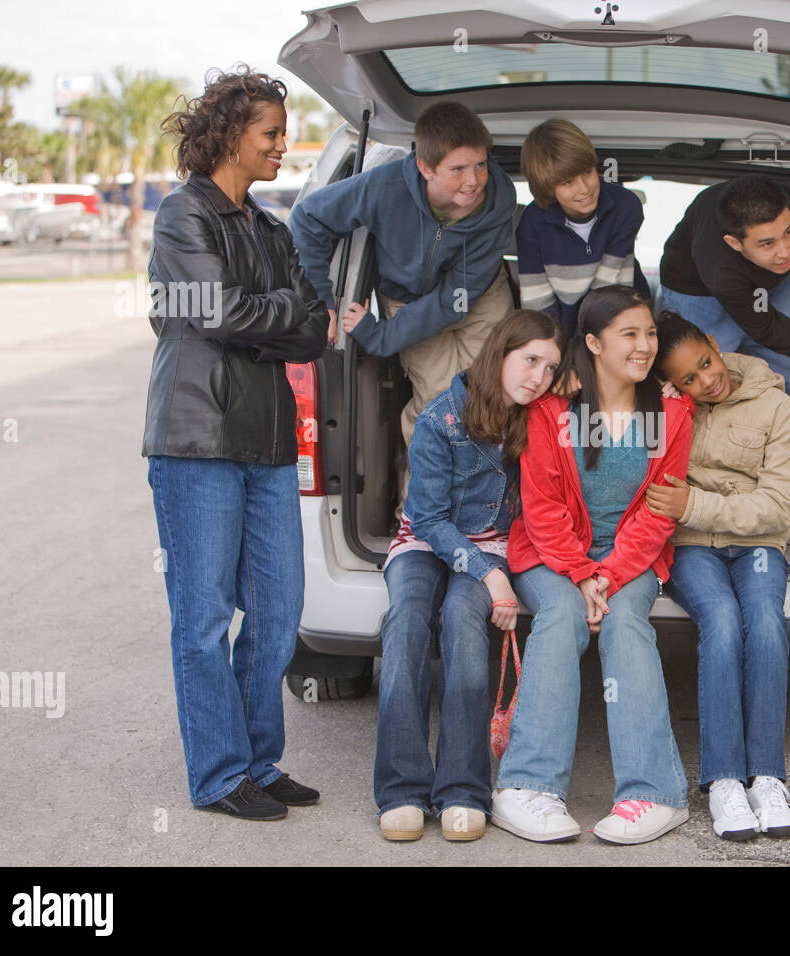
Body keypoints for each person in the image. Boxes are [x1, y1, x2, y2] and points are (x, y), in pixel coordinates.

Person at [145, 66, 329, 820]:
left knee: (279, 612)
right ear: (227, 136)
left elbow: (313, 330)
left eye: (283, 136)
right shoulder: (180, 216)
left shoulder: (272, 229)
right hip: (196, 439)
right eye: (270, 135)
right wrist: (273, 313)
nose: (282, 147)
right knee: (203, 616)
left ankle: (258, 759)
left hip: (268, 441)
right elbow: (216, 313)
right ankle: (220, 776)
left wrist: (270, 314)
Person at [492, 286, 693, 845]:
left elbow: (659, 511)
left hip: (630, 560)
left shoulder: (671, 410)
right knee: (560, 618)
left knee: (626, 623)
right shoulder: (553, 409)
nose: (645, 345)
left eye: (650, 332)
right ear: (593, 342)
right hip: (552, 553)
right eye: (630, 333)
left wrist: (609, 574)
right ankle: (526, 788)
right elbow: (543, 506)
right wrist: (581, 572)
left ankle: (653, 794)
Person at [375, 309, 564, 843]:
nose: (538, 378)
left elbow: (601, 393)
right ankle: (402, 790)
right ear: (501, 352)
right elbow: (430, 520)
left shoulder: (544, 415)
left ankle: (462, 790)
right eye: (530, 361)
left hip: (496, 542)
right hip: (427, 538)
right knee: (408, 620)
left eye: (550, 368)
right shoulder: (443, 417)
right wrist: (490, 576)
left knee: (461, 621)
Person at [657, 139, 790, 546]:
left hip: (765, 291)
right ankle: (693, 522)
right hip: (697, 295)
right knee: (693, 401)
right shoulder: (722, 267)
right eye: (768, 243)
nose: (786, 250)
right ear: (735, 243)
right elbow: (767, 330)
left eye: (788, 232)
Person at [646, 312, 790, 841]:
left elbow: (779, 507)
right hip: (692, 546)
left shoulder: (777, 406)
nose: (704, 381)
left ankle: (767, 777)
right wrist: (666, 402)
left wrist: (695, 502)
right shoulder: (671, 408)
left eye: (706, 364)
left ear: (715, 345)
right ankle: (723, 781)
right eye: (687, 378)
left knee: (763, 619)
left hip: (757, 543)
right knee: (721, 618)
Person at [290, 101, 516, 450]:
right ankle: (420, 504)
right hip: (408, 298)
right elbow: (309, 219)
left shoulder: (499, 198)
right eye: (457, 169)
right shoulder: (385, 186)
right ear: (425, 167)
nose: (474, 181)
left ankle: (485, 500)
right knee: (438, 406)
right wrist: (320, 301)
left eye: (481, 165)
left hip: (477, 293)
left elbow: (455, 298)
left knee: (490, 400)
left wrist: (382, 337)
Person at [516, 118, 651, 337]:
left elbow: (608, 286)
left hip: (620, 307)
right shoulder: (532, 224)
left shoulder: (626, 207)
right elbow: (538, 299)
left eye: (588, 172)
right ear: (547, 188)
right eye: (568, 182)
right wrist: (556, 347)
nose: (584, 189)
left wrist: (584, 346)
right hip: (563, 319)